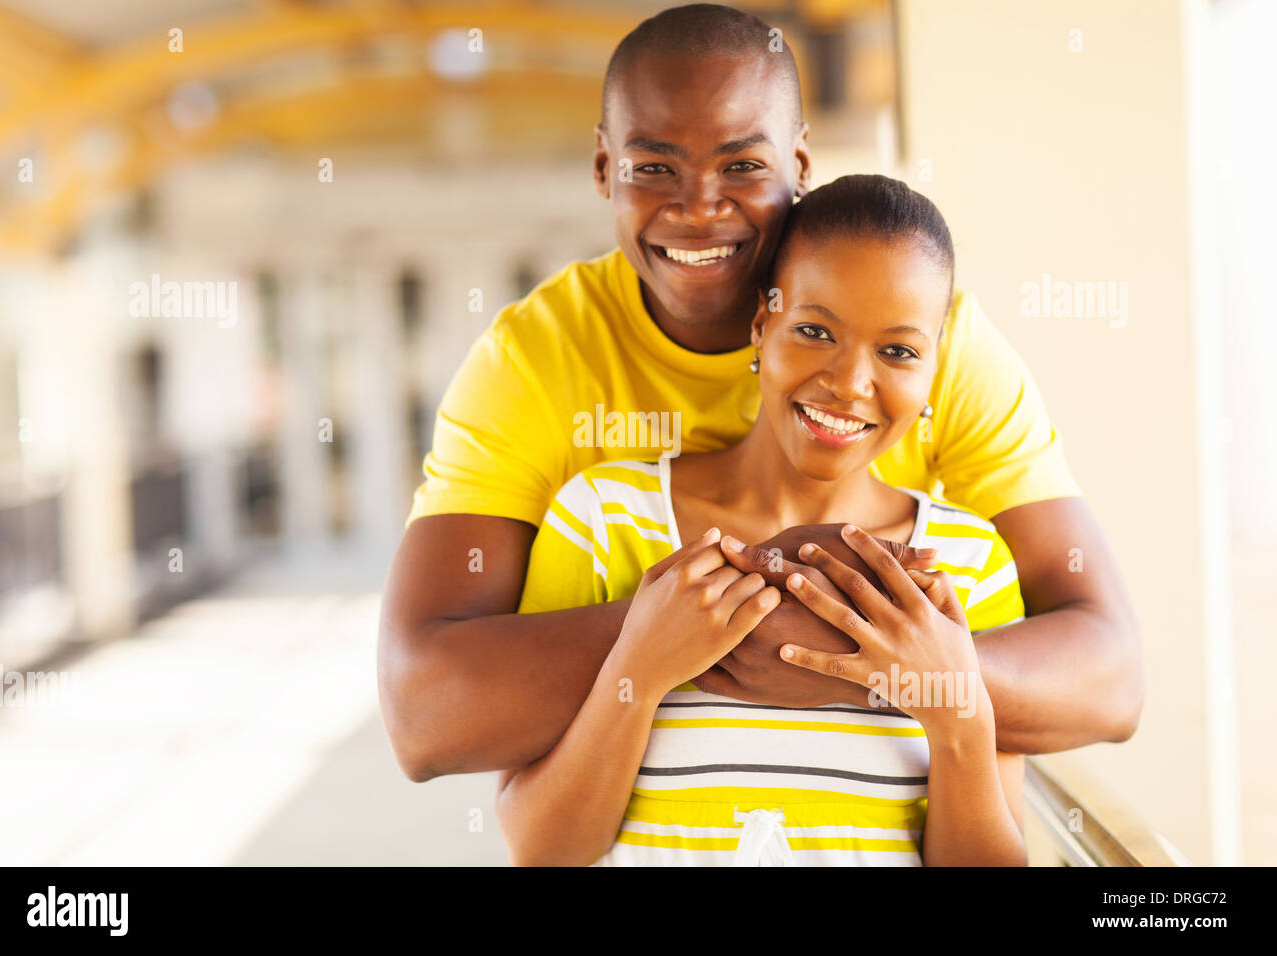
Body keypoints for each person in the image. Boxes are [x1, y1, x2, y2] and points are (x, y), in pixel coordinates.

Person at [377, 4, 1142, 784]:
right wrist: (711, 625)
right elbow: (425, 716)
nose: (700, 205)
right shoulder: (534, 360)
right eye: (655, 167)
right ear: (605, 168)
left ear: (800, 164)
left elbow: (1110, 681)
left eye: (742, 166)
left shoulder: (931, 346)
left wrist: (867, 658)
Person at [499, 175, 1027, 866]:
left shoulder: (968, 565)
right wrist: (638, 668)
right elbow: (543, 852)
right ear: (760, 326)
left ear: (935, 369)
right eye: (814, 330)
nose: (849, 383)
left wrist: (956, 713)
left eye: (898, 351)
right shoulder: (605, 521)